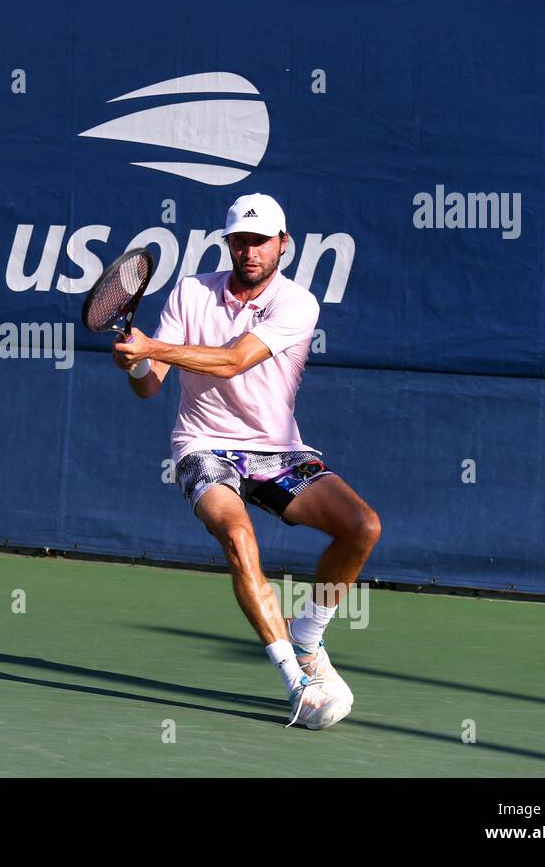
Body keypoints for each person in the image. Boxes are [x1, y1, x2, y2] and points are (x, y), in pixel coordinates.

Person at [112, 193, 381, 730]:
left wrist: (154, 349)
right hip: (203, 446)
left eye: (261, 241)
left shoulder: (297, 303)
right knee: (238, 537)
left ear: (284, 243)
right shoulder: (191, 293)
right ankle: (297, 684)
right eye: (240, 241)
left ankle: (307, 638)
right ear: (227, 243)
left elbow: (235, 361)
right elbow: (150, 388)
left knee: (362, 527)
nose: (250, 251)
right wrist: (136, 363)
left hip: (277, 450)